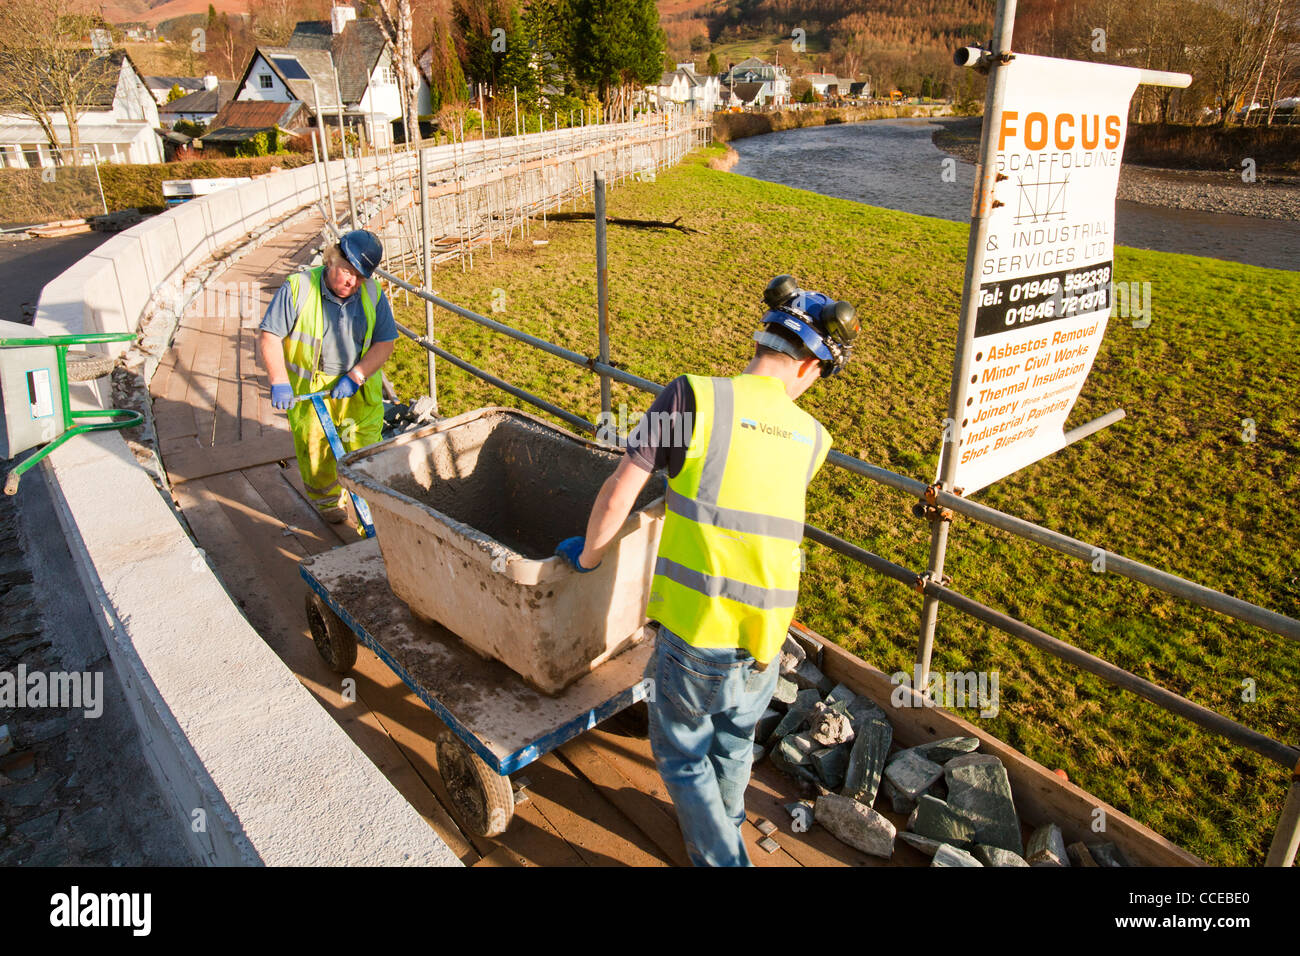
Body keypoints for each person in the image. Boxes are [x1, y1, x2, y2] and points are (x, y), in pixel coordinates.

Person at [556, 275, 859, 866]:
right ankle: (727, 822)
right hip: (768, 633)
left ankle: (722, 857)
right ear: (809, 367)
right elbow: (741, 494)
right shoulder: (812, 438)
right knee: (733, 738)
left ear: (764, 342)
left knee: (680, 757)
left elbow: (623, 489)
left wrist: (588, 557)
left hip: (700, 629)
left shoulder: (690, 398)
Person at [258, 229, 397, 527]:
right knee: (317, 452)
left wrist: (357, 375)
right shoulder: (299, 288)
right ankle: (328, 501)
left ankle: (372, 525)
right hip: (313, 394)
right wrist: (279, 380)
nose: (352, 282)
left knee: (366, 460)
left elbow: (385, 343)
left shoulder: (372, 293)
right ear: (332, 259)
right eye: (347, 272)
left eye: (360, 277)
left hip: (358, 394)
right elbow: (270, 336)